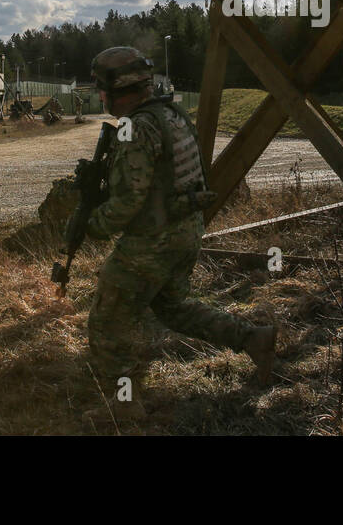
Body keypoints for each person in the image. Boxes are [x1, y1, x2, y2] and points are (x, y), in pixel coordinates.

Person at [72, 46, 275, 418]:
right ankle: (252, 338)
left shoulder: (136, 128)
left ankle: (123, 403)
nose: (99, 95)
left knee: (108, 320)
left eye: (101, 87)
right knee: (173, 307)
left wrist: (93, 225)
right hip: (185, 231)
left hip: (153, 241)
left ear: (119, 89)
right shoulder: (171, 114)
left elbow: (130, 200)